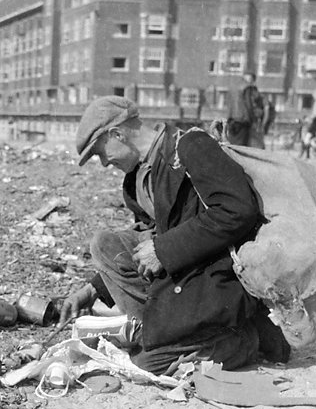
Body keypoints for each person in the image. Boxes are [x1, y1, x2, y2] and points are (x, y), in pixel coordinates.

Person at [60, 96, 290, 375]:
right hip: (183, 274)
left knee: (146, 365)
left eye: (100, 152)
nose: (105, 163)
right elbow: (149, 236)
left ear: (117, 134)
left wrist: (163, 250)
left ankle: (244, 339)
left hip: (217, 276)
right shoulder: (135, 182)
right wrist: (92, 290)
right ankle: (162, 335)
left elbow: (237, 211)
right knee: (105, 245)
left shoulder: (191, 147)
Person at [226, 71, 265, 148]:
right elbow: (249, 104)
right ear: (252, 79)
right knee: (242, 147)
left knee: (232, 145)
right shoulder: (248, 88)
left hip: (231, 120)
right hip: (243, 120)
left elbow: (229, 103)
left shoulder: (233, 87)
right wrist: (254, 119)